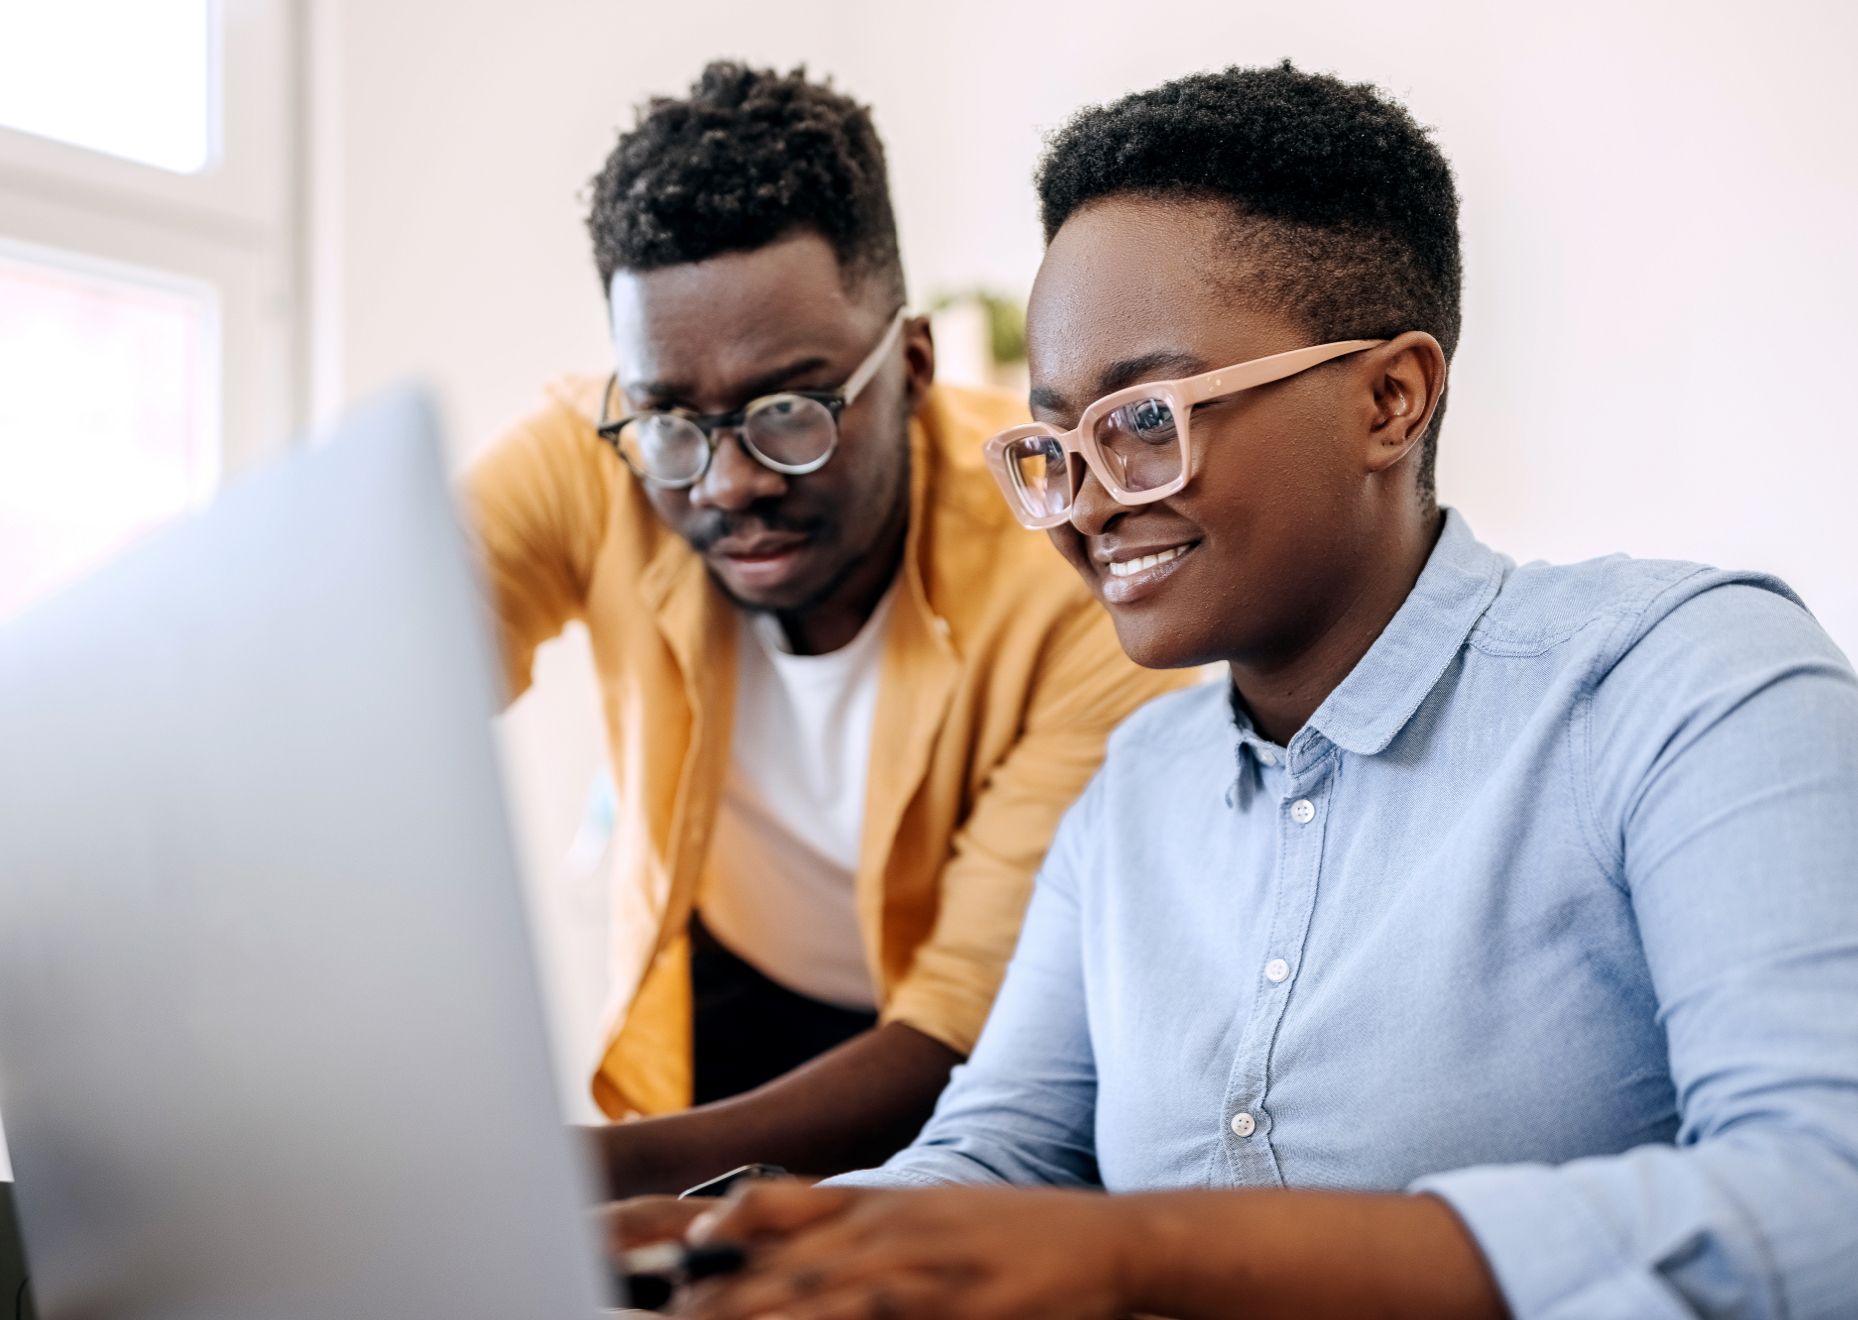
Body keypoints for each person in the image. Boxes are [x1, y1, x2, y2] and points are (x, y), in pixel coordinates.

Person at [670, 62, 1858, 1319]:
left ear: (1390, 401)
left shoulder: (1683, 685)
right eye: (1055, 444)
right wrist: (710, 1242)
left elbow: (1821, 1200)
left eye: (1144, 421)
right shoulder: (1133, 795)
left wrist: (1141, 1253)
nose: (1084, 505)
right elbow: (998, 1158)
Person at [463, 62, 1186, 1199]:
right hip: (737, 985)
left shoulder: (1069, 573)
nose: (729, 482)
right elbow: (375, 692)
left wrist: (552, 1183)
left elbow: (957, 1029)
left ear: (911, 366)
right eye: (671, 421)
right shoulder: (595, 456)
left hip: (946, 1059)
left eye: (791, 411)